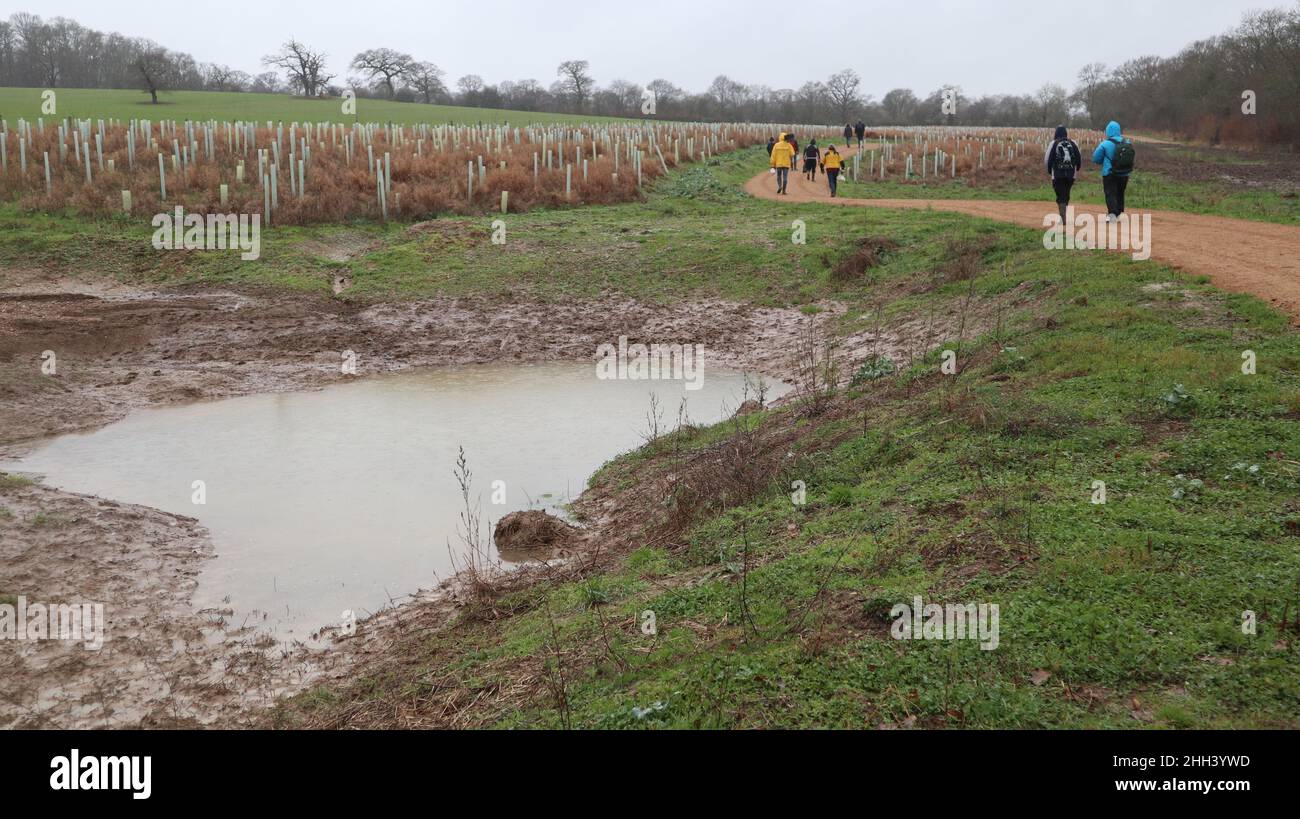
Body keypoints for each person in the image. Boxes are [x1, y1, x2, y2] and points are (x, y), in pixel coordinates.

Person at [1092, 120, 1135, 221]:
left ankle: (1112, 214)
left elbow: (1095, 158)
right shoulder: (1127, 142)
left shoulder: (1105, 144)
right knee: (1120, 193)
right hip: (1125, 173)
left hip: (1110, 173)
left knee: (1110, 193)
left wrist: (1103, 161)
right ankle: (1119, 213)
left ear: (1108, 131)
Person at [1044, 125, 1082, 223]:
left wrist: (1049, 170)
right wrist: (1077, 168)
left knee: (1060, 194)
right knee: (1066, 193)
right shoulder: (1073, 143)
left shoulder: (1053, 143)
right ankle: (1063, 214)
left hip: (1057, 174)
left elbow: (1047, 159)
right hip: (1071, 173)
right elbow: (1078, 157)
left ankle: (1062, 217)